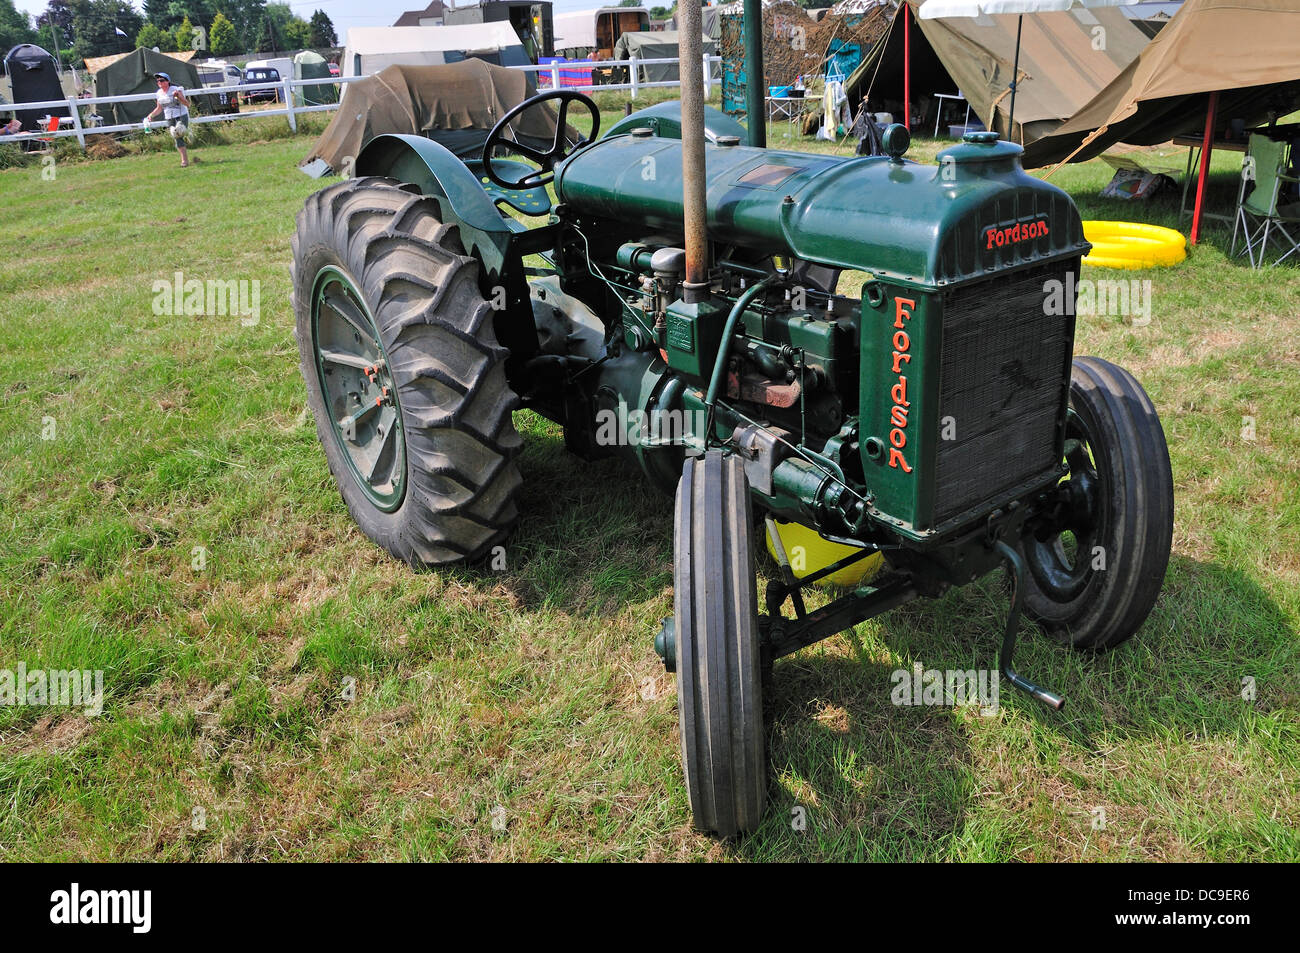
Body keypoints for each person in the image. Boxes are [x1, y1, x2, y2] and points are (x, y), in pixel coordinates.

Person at [143, 72, 192, 167]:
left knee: (179, 132)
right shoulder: (159, 93)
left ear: (168, 81)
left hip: (181, 115)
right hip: (169, 117)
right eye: (158, 81)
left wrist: (178, 96)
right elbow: (159, 108)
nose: (159, 82)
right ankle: (184, 161)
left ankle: (185, 160)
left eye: (162, 80)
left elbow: (187, 104)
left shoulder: (175, 90)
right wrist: (151, 116)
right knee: (176, 137)